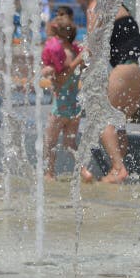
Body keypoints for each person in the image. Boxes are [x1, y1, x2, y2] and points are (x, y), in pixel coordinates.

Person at [68, 0, 140, 183]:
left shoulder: (95, 8)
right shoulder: (113, 3)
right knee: (117, 120)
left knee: (100, 116)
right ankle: (123, 169)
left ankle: (118, 169)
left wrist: (68, 70)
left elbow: (91, 52)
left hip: (126, 68)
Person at [41, 13, 90, 182]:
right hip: (74, 108)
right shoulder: (76, 52)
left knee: (50, 142)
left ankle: (49, 173)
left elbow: (59, 76)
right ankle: (85, 171)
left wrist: (46, 71)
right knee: (70, 144)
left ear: (55, 31)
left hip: (59, 107)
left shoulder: (59, 53)